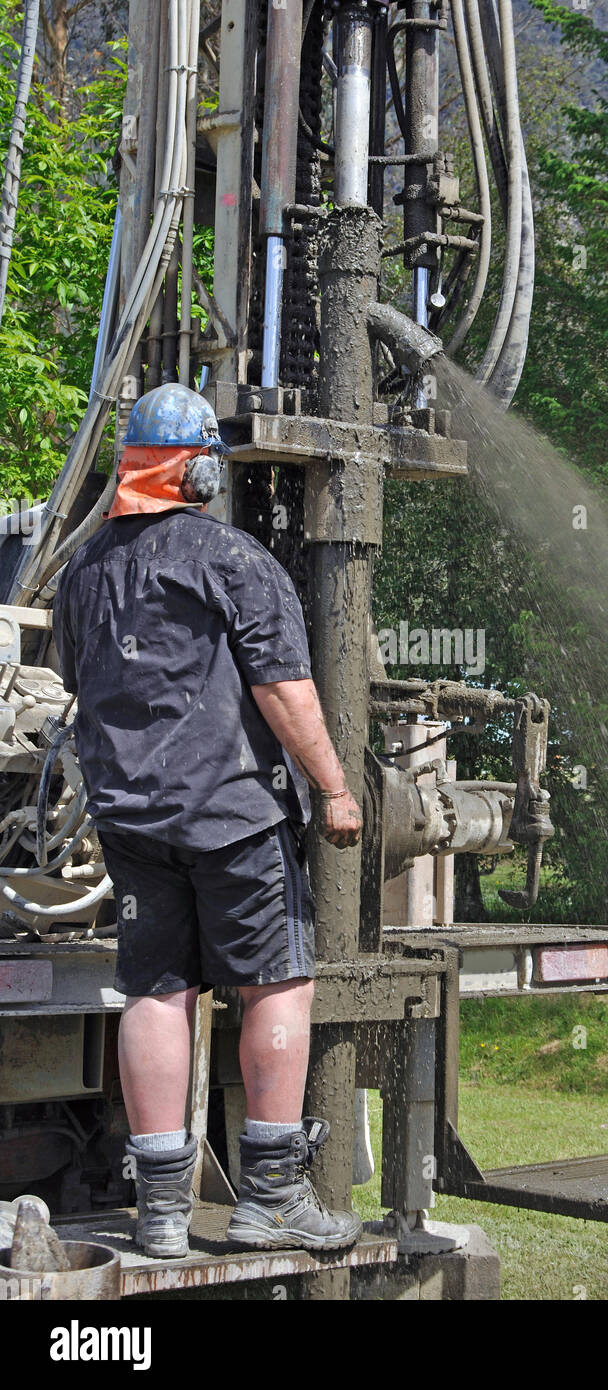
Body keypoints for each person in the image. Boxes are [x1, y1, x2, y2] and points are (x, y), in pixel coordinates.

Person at [52, 383, 364, 1259]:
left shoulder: (85, 570)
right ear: (196, 471)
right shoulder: (230, 559)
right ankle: (269, 1196)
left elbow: (80, 681)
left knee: (155, 992)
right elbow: (283, 689)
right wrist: (334, 788)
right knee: (275, 984)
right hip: (231, 814)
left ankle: (157, 1214)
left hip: (131, 821)